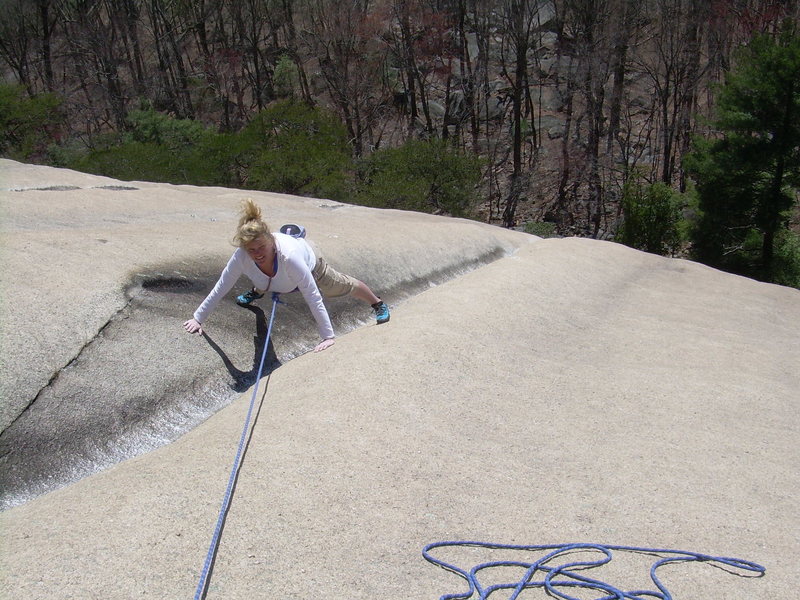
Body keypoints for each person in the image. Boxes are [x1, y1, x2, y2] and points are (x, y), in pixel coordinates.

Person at [183, 199, 389, 352]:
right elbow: (223, 285)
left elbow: (312, 295)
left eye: (261, 247)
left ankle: (377, 303)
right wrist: (198, 318)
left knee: (339, 285)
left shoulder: (289, 257)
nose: (257, 254)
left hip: (310, 264)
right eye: (250, 250)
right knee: (263, 277)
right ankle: (257, 291)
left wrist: (328, 336)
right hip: (277, 278)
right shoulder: (242, 256)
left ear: (271, 240)